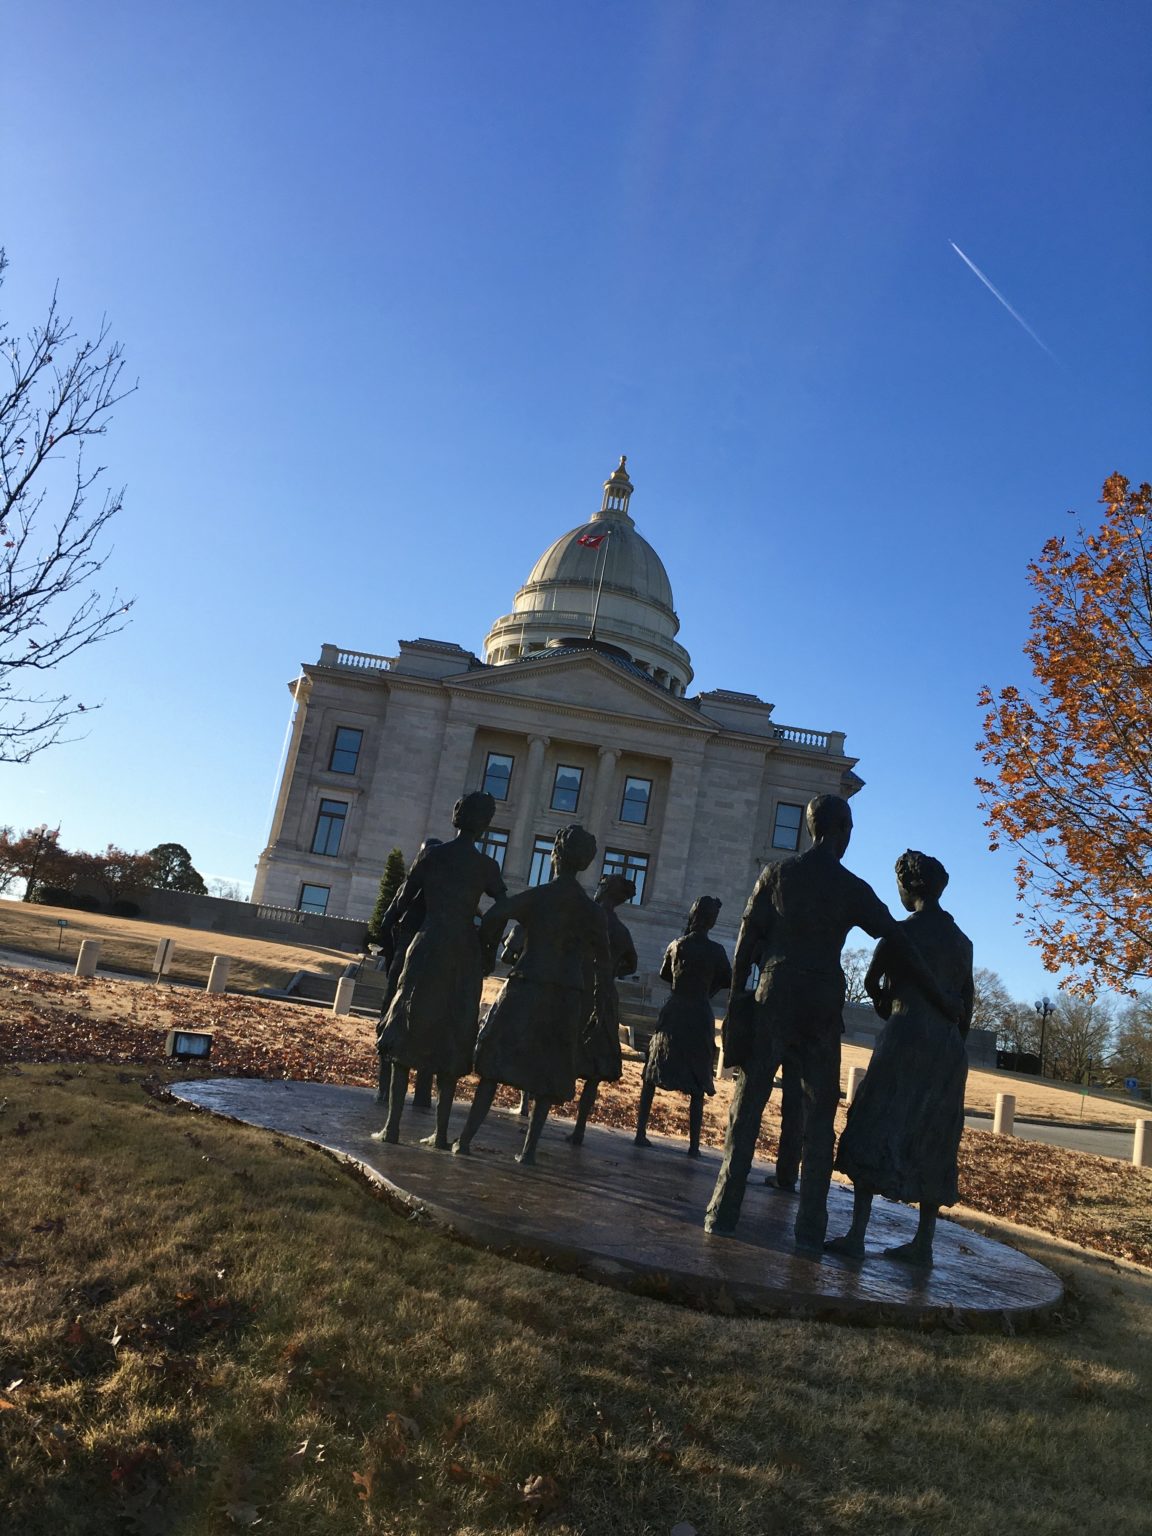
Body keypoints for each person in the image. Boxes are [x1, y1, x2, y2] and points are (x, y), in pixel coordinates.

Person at [704, 794, 960, 1253]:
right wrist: (940, 994)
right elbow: (898, 938)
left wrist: (740, 997)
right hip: (821, 1003)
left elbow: (747, 940)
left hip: (776, 995)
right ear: (841, 831)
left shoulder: (777, 875)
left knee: (747, 1107)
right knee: (819, 1118)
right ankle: (810, 1229)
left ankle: (723, 1211)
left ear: (810, 829)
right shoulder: (851, 887)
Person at [826, 851, 973, 1267]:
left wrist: (885, 1003)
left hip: (905, 1036)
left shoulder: (899, 933)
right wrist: (952, 1045)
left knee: (876, 1120)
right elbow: (967, 1002)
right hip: (945, 1047)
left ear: (908, 887)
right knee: (934, 1133)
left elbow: (873, 982)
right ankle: (922, 1243)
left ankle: (857, 1234)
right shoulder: (962, 941)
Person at [453, 825, 613, 1166]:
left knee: (494, 1065)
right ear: (584, 863)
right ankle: (528, 1151)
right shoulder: (592, 911)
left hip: (528, 984)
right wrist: (597, 1005)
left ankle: (464, 1140)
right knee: (548, 1072)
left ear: (555, 855)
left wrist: (486, 952)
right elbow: (604, 962)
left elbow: (495, 913)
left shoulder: (538, 896)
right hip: (567, 994)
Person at [374, 793, 506, 1150]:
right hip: (463, 951)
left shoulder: (432, 855)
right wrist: (486, 941)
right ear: (485, 824)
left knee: (407, 1024)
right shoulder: (487, 867)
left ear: (456, 817)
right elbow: (504, 906)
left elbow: (403, 900)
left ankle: (392, 1127)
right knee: (454, 1030)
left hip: (429, 943)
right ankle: (442, 1133)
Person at [634, 897, 731, 1158]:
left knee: (652, 1072)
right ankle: (694, 1145)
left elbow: (666, 974)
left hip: (676, 1010)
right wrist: (707, 991)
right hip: (699, 1013)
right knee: (697, 1078)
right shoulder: (717, 951)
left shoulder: (677, 945)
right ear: (711, 921)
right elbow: (727, 979)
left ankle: (640, 1132)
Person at [568, 874, 638, 1146]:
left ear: (605, 889)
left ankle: (533, 1113)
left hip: (581, 987)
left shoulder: (589, 917)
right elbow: (631, 964)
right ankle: (580, 1128)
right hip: (605, 994)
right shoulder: (621, 929)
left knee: (562, 1048)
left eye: (599, 885)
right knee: (594, 1070)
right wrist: (611, 971)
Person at [373, 839, 442, 1108]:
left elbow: (386, 921)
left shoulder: (410, 888)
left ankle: (386, 1090)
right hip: (430, 965)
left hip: (404, 961)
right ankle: (421, 1094)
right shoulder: (445, 892)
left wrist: (392, 955)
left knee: (390, 1020)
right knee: (429, 1024)